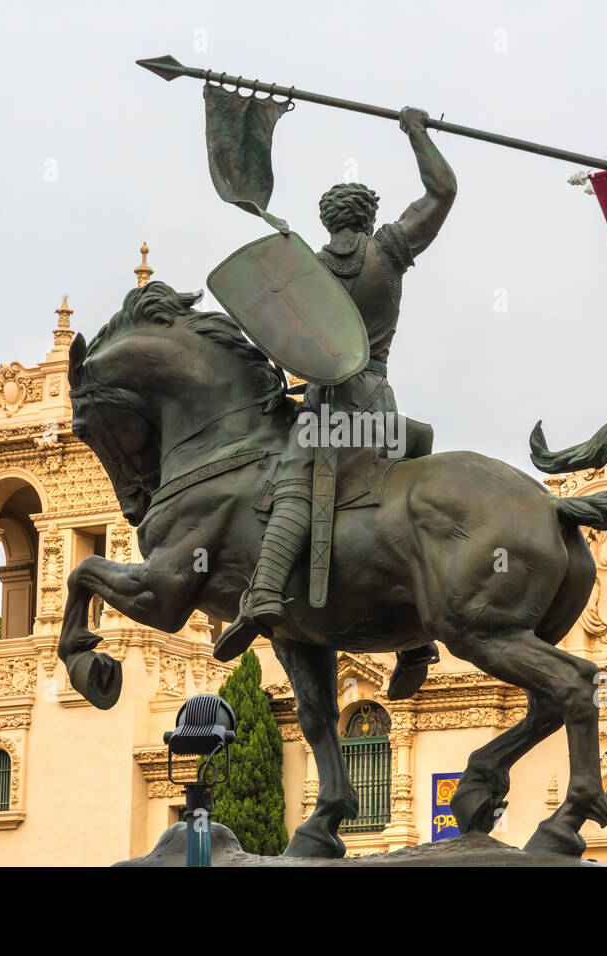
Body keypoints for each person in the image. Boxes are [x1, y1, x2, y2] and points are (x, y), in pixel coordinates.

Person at [216, 106, 457, 698]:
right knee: (396, 501)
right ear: (370, 215)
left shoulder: (307, 273)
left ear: (326, 222)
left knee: (292, 475)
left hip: (328, 412)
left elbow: (277, 336)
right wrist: (416, 132)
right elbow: (443, 191)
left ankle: (266, 588)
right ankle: (414, 636)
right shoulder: (391, 251)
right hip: (379, 408)